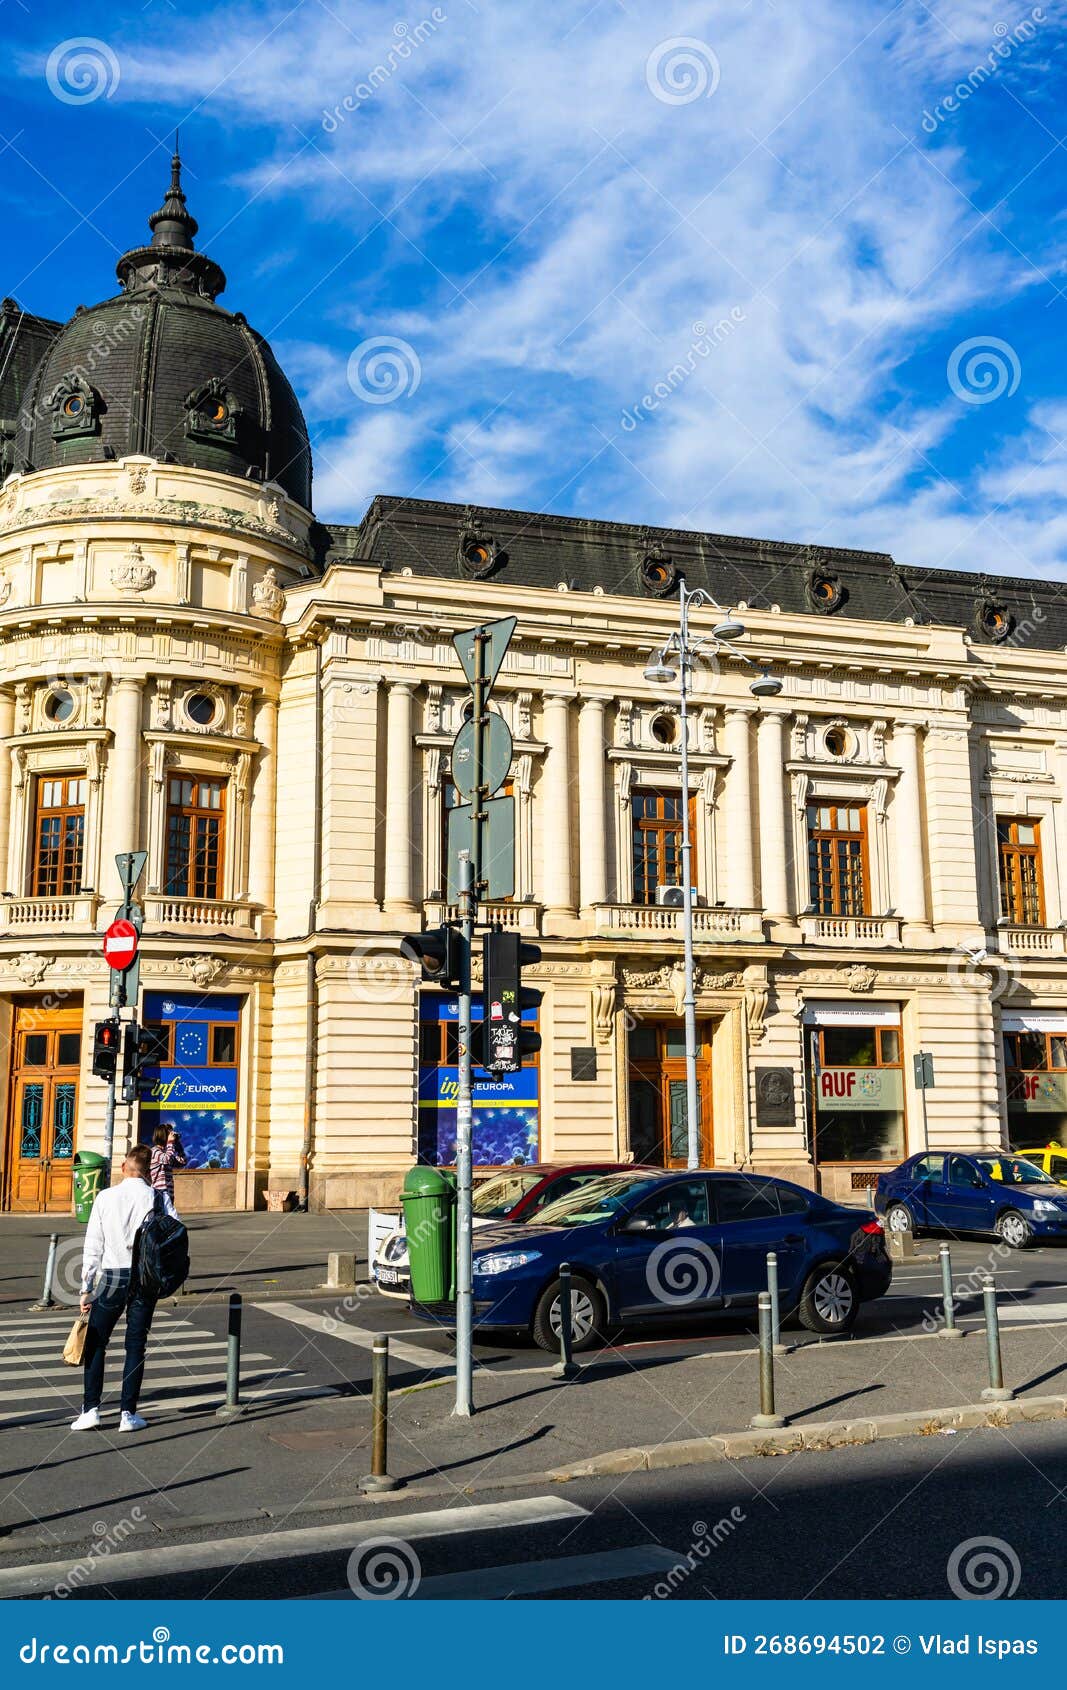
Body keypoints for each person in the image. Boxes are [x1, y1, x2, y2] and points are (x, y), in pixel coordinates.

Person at [71, 1144, 158, 1434]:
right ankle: (128, 1414)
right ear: (147, 1171)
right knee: (135, 1345)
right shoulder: (157, 1197)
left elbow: (93, 1245)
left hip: (111, 1277)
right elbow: (174, 1235)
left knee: (96, 1342)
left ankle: (91, 1409)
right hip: (144, 1279)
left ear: (124, 1167)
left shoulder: (106, 1197)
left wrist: (86, 1287)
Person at [150, 1124, 187, 1218]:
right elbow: (165, 1159)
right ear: (163, 1135)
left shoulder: (168, 1152)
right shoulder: (154, 1151)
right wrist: (170, 1143)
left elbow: (183, 1162)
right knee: (169, 1220)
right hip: (159, 1192)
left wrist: (178, 1145)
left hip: (168, 1192)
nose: (172, 1135)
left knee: (166, 1221)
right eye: (170, 1133)